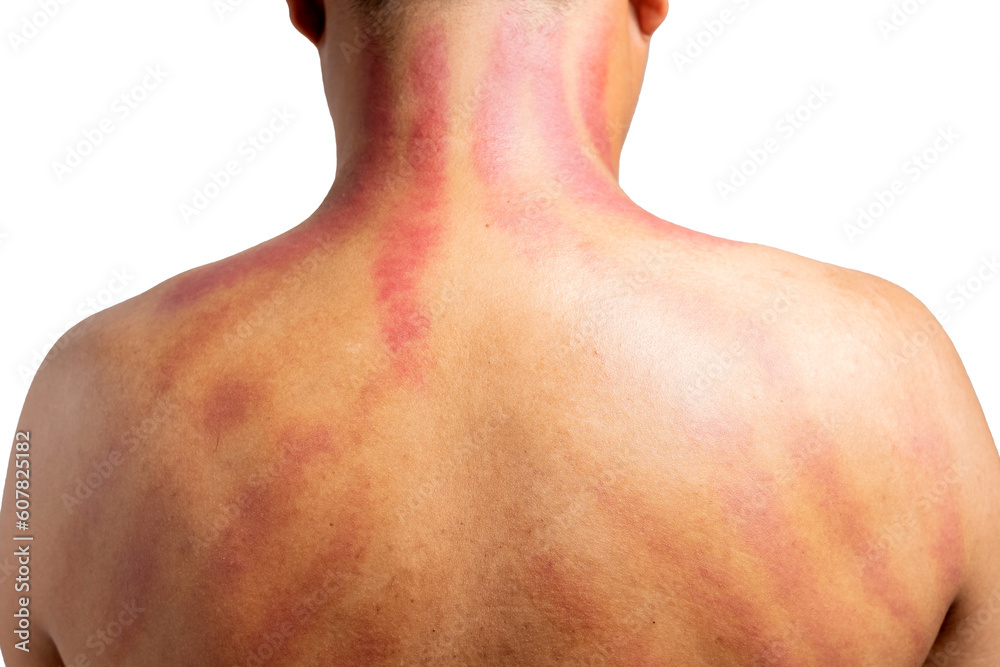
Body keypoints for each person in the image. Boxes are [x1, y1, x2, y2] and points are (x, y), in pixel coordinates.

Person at [3, 0, 998, 663]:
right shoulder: (892, 380)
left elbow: (14, 626)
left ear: (305, 7)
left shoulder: (81, 406)